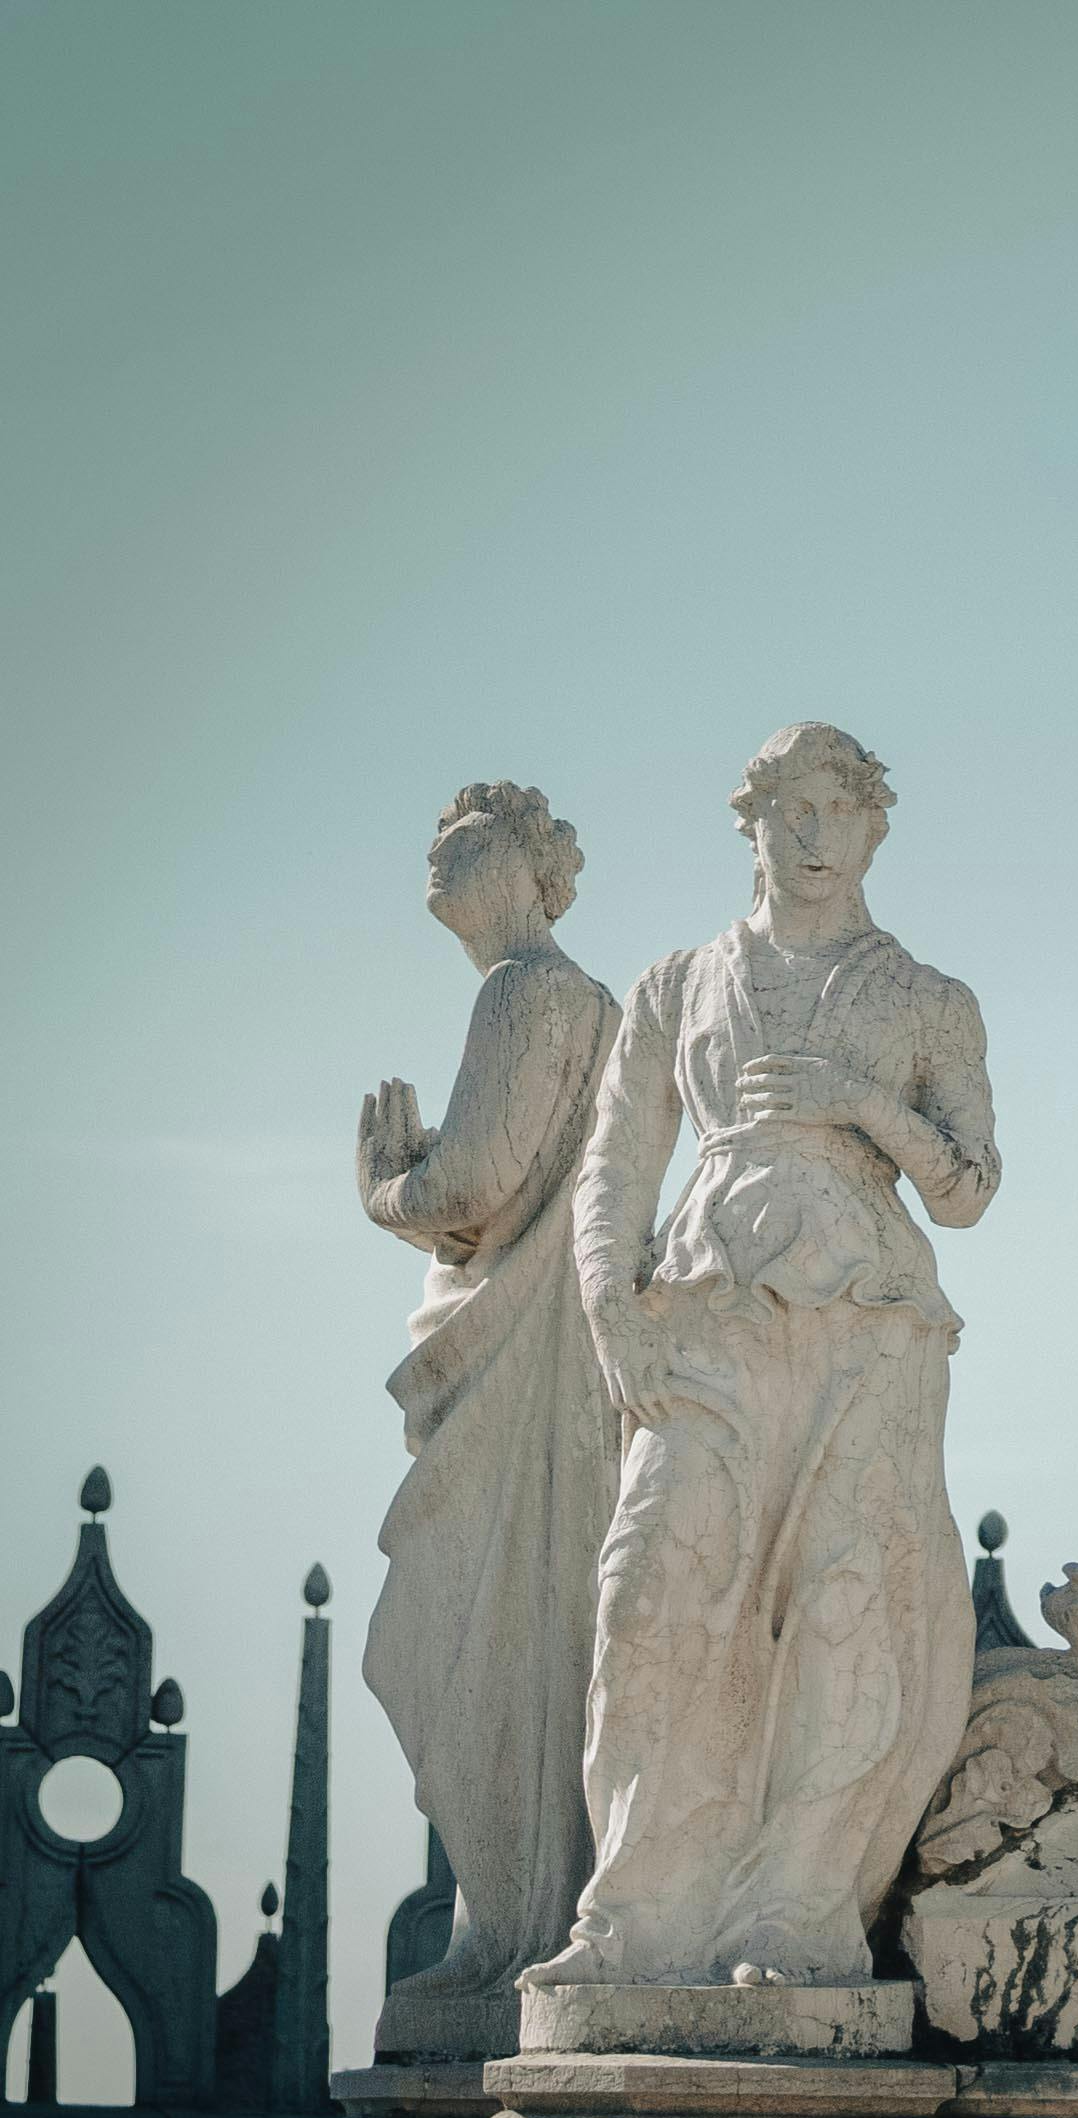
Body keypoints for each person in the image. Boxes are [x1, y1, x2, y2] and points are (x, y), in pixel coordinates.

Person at [525, 722, 999, 1991]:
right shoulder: (678, 984)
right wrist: (608, 1309)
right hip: (706, 1312)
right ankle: (636, 1908)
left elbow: (968, 1187)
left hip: (870, 1327)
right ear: (752, 823)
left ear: (871, 829)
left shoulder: (927, 999)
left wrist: (864, 1107)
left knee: (845, 1604)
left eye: (837, 807)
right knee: (650, 1596)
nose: (810, 830)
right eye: (787, 807)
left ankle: (793, 1908)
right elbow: (614, 1166)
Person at [356, 782, 619, 2042]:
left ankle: (514, 1926)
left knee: (492, 1621)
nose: (430, 856)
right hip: (551, 1346)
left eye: (452, 841)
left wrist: (385, 1188)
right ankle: (522, 1910)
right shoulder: (588, 1001)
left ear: (515, 866)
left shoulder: (527, 991)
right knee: (536, 1622)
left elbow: (474, 1178)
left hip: (527, 1361)